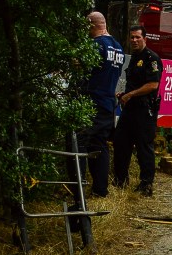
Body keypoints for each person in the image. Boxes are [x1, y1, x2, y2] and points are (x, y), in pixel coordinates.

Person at [70, 12, 124, 198]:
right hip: (108, 104)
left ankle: (77, 190)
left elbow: (78, 66)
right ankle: (100, 190)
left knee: (79, 144)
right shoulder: (118, 47)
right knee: (99, 146)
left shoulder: (95, 45)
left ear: (91, 25)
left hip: (90, 102)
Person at [113, 25, 163, 197]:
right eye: (132, 37)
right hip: (129, 110)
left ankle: (146, 185)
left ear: (145, 38)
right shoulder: (134, 58)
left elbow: (152, 85)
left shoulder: (151, 58)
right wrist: (124, 94)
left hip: (144, 110)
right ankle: (120, 181)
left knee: (144, 148)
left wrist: (131, 95)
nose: (134, 40)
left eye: (137, 37)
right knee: (120, 143)